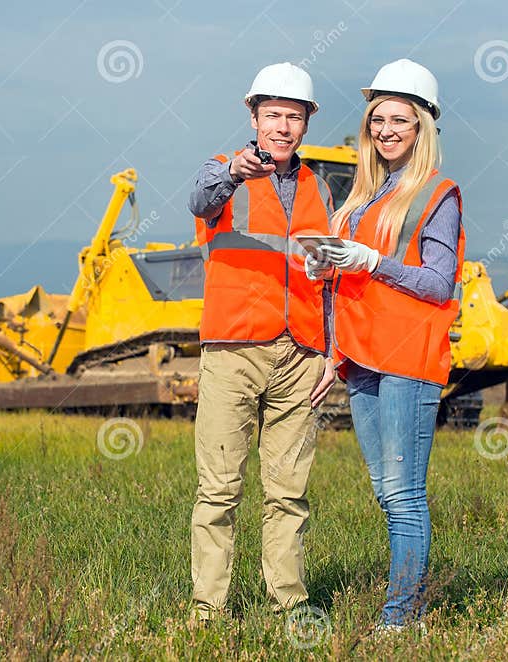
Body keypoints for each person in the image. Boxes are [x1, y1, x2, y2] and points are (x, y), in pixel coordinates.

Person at [307, 58, 465, 631]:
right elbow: (347, 284)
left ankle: (402, 616)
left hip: (407, 360)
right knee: (385, 491)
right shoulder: (363, 197)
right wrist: (322, 268)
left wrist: (375, 262)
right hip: (363, 359)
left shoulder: (436, 194)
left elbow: (439, 282)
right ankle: (408, 602)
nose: (386, 130)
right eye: (378, 120)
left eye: (400, 120)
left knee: (403, 495)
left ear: (422, 127)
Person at [187, 62, 337, 621]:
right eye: (272, 114)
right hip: (233, 350)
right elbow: (201, 202)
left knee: (289, 492)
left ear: (306, 124)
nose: (282, 125)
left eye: (292, 116)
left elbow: (326, 274)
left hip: (300, 354)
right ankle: (208, 610)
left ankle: (289, 606)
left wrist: (330, 351)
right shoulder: (223, 172)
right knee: (220, 490)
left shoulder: (319, 186)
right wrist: (233, 171)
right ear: (253, 116)